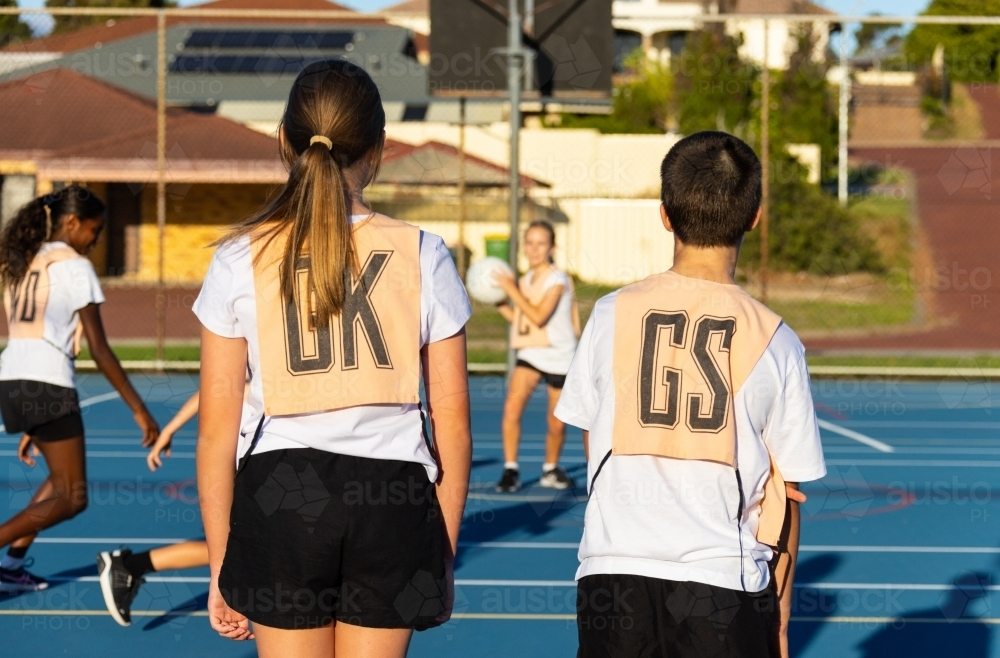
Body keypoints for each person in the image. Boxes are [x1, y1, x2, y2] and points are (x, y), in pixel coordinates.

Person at [195, 59, 472, 657]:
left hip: (283, 489)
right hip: (391, 496)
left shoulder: (239, 257)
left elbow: (217, 431)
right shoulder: (424, 253)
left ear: (282, 141)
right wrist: (440, 554)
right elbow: (451, 423)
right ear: (378, 148)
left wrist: (223, 562)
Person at [554, 132, 827, 658]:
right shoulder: (775, 339)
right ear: (754, 217)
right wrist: (783, 609)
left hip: (615, 573)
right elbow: (787, 494)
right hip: (722, 579)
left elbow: (594, 441)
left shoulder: (610, 314)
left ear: (664, 214)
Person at [0, 186, 159, 593]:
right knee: (74, 498)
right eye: (96, 228)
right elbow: (100, 349)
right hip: (47, 380)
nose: (98, 238)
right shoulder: (74, 267)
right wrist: (139, 409)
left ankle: (13, 564)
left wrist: (35, 426)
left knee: (59, 478)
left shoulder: (26, 261)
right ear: (72, 222)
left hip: (13, 379)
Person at [97, 391, 207, 626]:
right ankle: (129, 566)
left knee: (240, 548)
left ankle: (130, 566)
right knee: (244, 549)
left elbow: (220, 387)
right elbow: (222, 387)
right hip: (270, 462)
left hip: (274, 461)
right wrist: (169, 429)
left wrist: (169, 429)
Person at [492, 220, 580, 492]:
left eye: (541, 243)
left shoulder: (558, 280)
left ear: (552, 247)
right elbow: (522, 319)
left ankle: (550, 469)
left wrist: (510, 290)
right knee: (511, 408)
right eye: (529, 242)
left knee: (555, 424)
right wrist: (498, 301)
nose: (534, 249)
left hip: (561, 355)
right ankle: (511, 470)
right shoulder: (524, 280)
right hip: (532, 353)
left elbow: (539, 316)